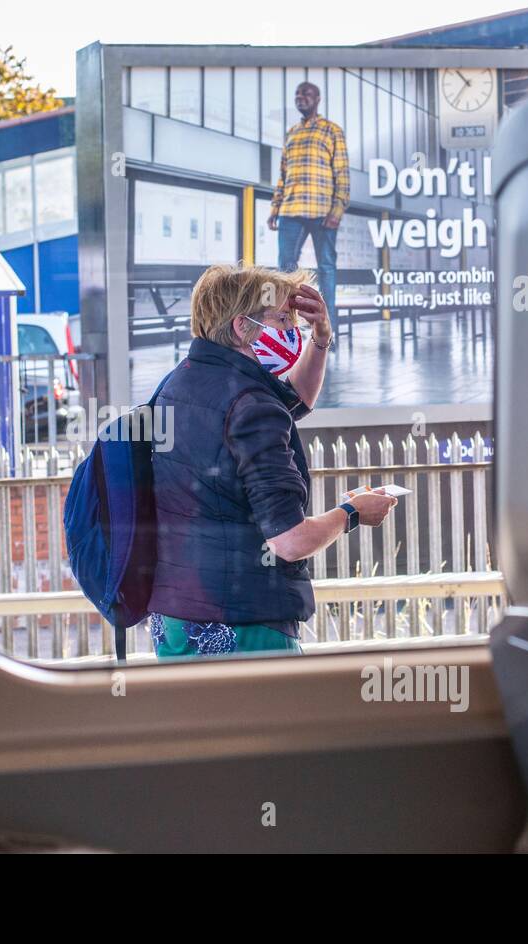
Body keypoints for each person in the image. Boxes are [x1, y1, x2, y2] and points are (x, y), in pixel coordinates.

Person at [147, 264, 396, 658]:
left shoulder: (180, 383)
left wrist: (321, 339)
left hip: (174, 620)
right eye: (283, 318)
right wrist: (352, 512)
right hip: (242, 624)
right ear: (242, 327)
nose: (292, 327)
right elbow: (290, 541)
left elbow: (292, 399)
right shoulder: (252, 407)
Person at [268, 81, 350, 328]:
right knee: (284, 270)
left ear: (318, 99)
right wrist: (275, 208)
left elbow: (342, 173)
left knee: (326, 268)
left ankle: (327, 329)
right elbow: (283, 174)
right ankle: (283, 329)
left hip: (322, 212)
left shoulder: (331, 130)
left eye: (306, 93)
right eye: (297, 93)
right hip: (290, 210)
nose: (300, 97)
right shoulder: (291, 132)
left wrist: (337, 210)